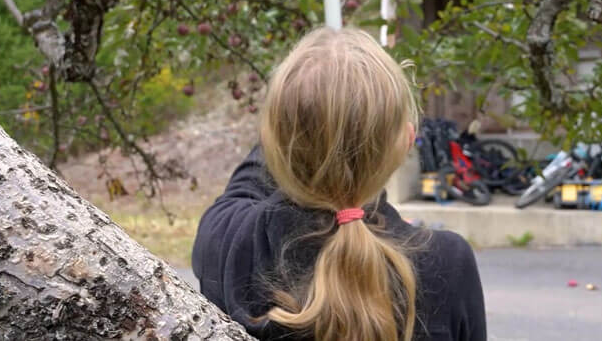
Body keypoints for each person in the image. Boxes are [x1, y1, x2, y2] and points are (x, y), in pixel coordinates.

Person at [191, 27, 486, 341]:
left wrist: (303, 122)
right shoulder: (447, 264)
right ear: (407, 141)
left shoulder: (226, 240)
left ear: (273, 140)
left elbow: (248, 182)